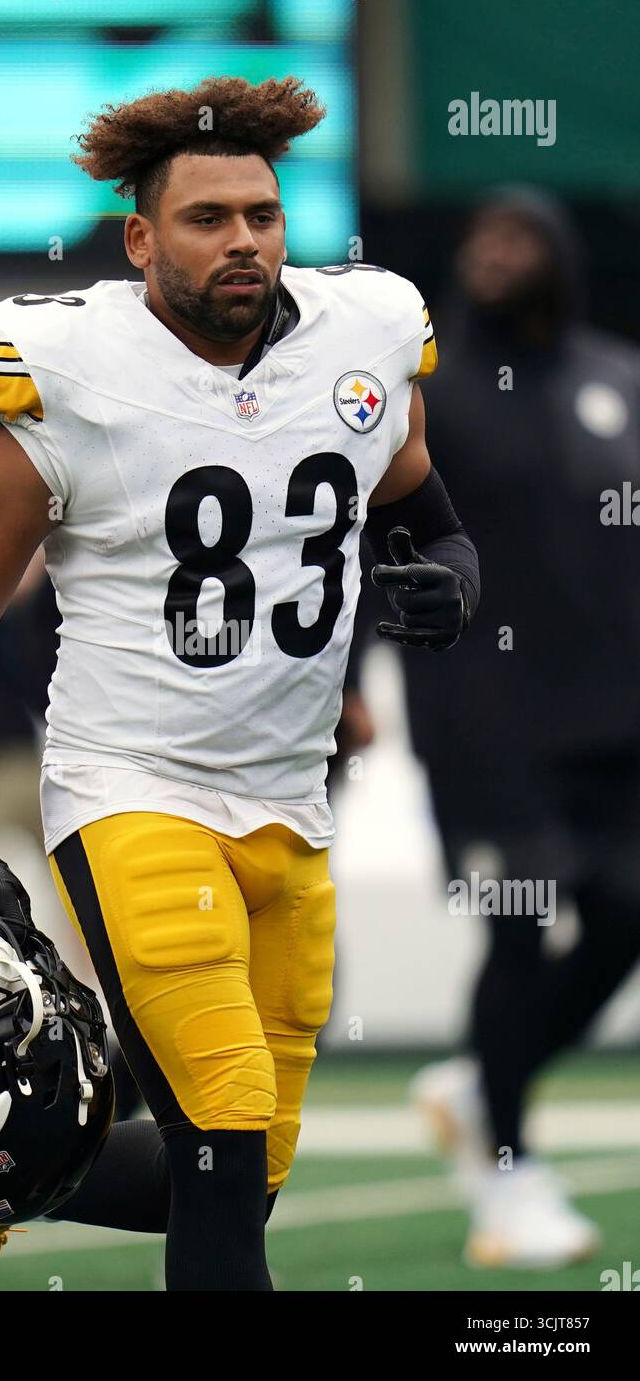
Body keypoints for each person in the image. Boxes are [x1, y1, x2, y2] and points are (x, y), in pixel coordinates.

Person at [0, 75, 479, 1291]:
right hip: (133, 792)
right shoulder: (67, 367)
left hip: (289, 801)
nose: (243, 243)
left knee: (233, 1180)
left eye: (261, 216)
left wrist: (445, 578)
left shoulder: (362, 333)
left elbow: (423, 507)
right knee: (219, 1130)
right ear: (139, 238)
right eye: (208, 218)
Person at [404, 188, 640, 1268]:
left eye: (516, 235)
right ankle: (505, 1175)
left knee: (625, 915)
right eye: (478, 234)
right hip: (483, 719)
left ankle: (479, 1078)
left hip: (612, 718)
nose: (493, 253)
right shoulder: (429, 389)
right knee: (513, 925)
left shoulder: (615, 379)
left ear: (557, 253)